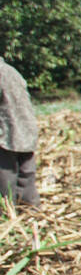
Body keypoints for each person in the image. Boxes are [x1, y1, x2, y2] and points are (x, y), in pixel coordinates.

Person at [0, 56, 40, 208]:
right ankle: (32, 211)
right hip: (27, 129)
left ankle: (6, 213)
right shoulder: (12, 71)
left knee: (5, 178)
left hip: (7, 133)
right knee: (26, 174)